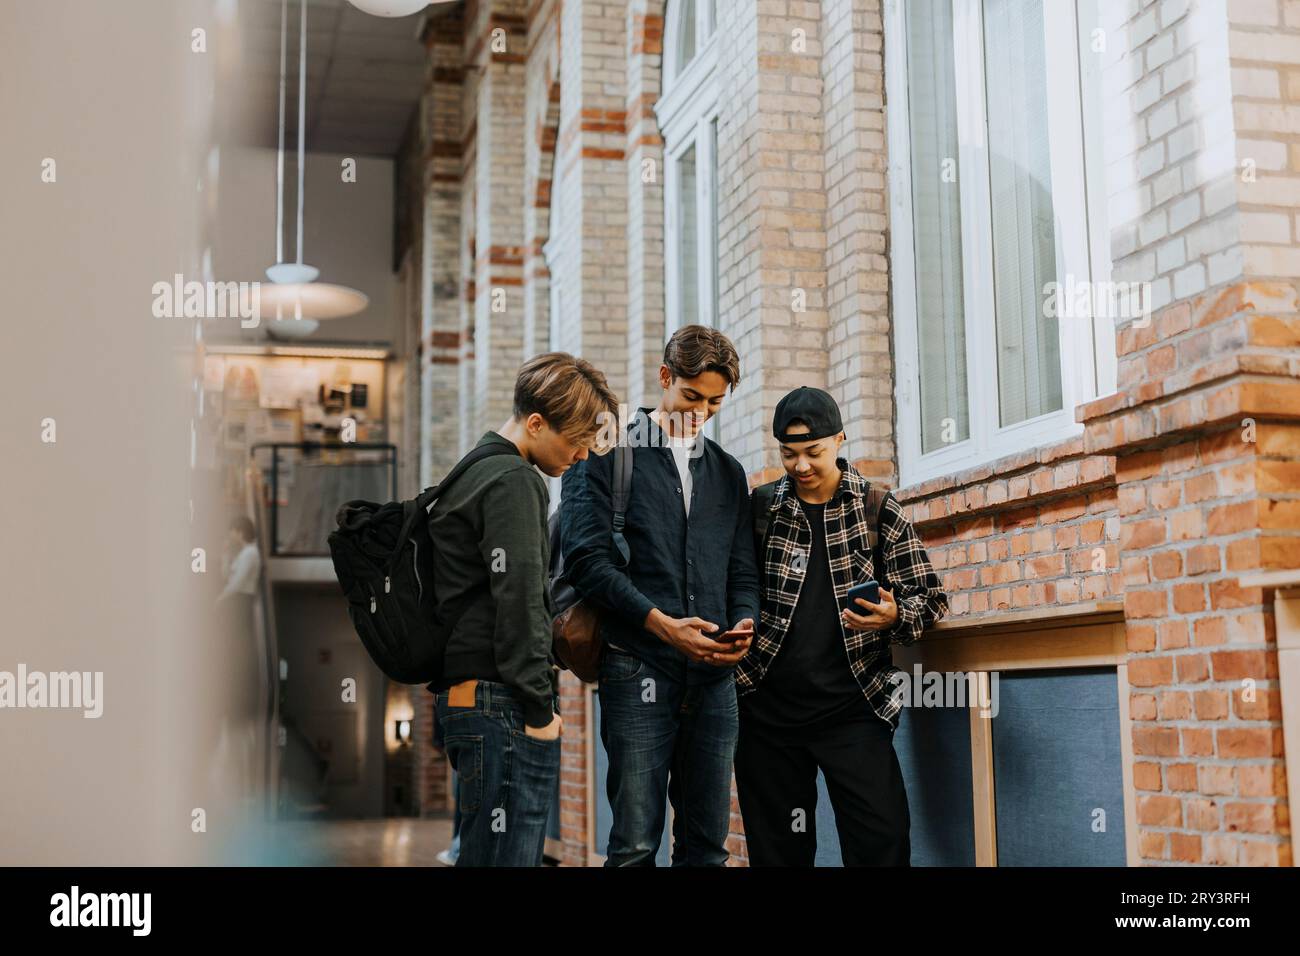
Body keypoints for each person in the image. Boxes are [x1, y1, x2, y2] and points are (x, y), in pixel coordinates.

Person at [560, 325, 761, 866]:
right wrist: (660, 624)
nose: (701, 412)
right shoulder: (606, 450)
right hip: (637, 668)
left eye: (715, 402)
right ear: (665, 376)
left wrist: (745, 623)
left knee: (707, 848)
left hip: (715, 679)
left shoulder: (727, 472)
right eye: (691, 396)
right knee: (634, 846)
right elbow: (584, 561)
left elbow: (743, 572)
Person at [733, 386, 948, 866]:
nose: (801, 465)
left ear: (840, 440)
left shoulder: (875, 508)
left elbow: (931, 597)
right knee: (779, 855)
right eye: (789, 455)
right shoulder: (762, 509)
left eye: (814, 452)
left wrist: (896, 615)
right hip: (767, 716)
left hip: (856, 711)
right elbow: (733, 588)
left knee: (881, 844)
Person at [427, 352, 618, 866]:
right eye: (575, 442)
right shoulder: (514, 480)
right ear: (536, 423)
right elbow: (520, 603)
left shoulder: (473, 468)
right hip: (501, 704)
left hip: (468, 699)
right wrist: (540, 712)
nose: (580, 457)